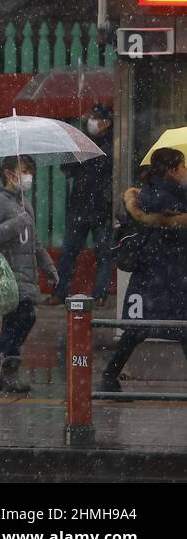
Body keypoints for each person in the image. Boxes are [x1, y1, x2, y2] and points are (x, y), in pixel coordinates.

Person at [99, 148, 187, 393]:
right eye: (182, 167)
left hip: (153, 276)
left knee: (139, 330)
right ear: (171, 171)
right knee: (178, 327)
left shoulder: (146, 195)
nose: (185, 172)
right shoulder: (168, 199)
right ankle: (108, 377)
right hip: (166, 276)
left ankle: (109, 377)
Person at [0, 154, 60, 393]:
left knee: (20, 320)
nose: (28, 176)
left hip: (25, 274)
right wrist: (16, 224)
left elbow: (35, 244)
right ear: (8, 173)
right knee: (21, 318)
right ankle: (6, 369)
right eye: (23, 170)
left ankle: (4, 370)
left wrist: (49, 268)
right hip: (6, 274)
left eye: (30, 171)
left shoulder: (26, 204)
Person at [49, 105, 115, 306]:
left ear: (107, 122)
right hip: (79, 206)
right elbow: (66, 168)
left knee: (104, 253)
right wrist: (77, 150)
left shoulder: (112, 143)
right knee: (69, 251)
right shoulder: (82, 141)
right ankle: (59, 293)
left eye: (97, 119)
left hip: (102, 207)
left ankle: (100, 294)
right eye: (91, 118)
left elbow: (108, 166)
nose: (92, 123)